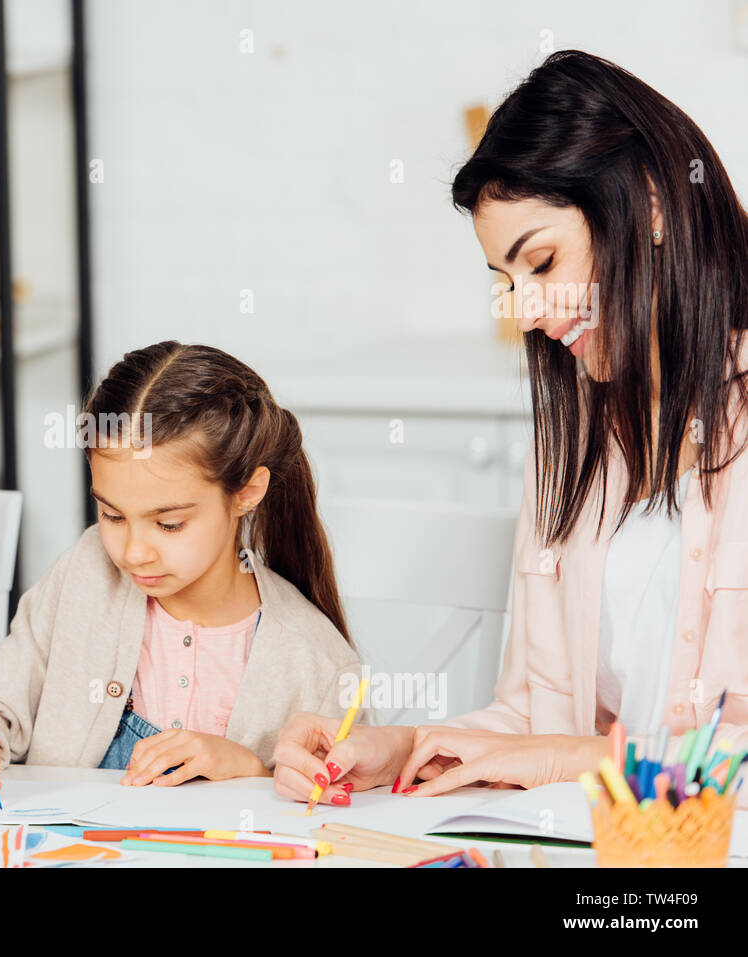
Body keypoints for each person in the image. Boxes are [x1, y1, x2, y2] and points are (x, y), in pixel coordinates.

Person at [274, 50, 748, 804]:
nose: (524, 310)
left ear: (654, 205)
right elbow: (537, 717)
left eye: (543, 261)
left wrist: (576, 759)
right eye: (507, 281)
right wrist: (400, 747)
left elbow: (577, 752)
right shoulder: (570, 445)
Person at [0, 341, 361, 800]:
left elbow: (331, 807)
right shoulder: (85, 575)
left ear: (247, 492)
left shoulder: (316, 661)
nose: (133, 552)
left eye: (168, 523)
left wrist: (250, 770)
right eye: (112, 515)